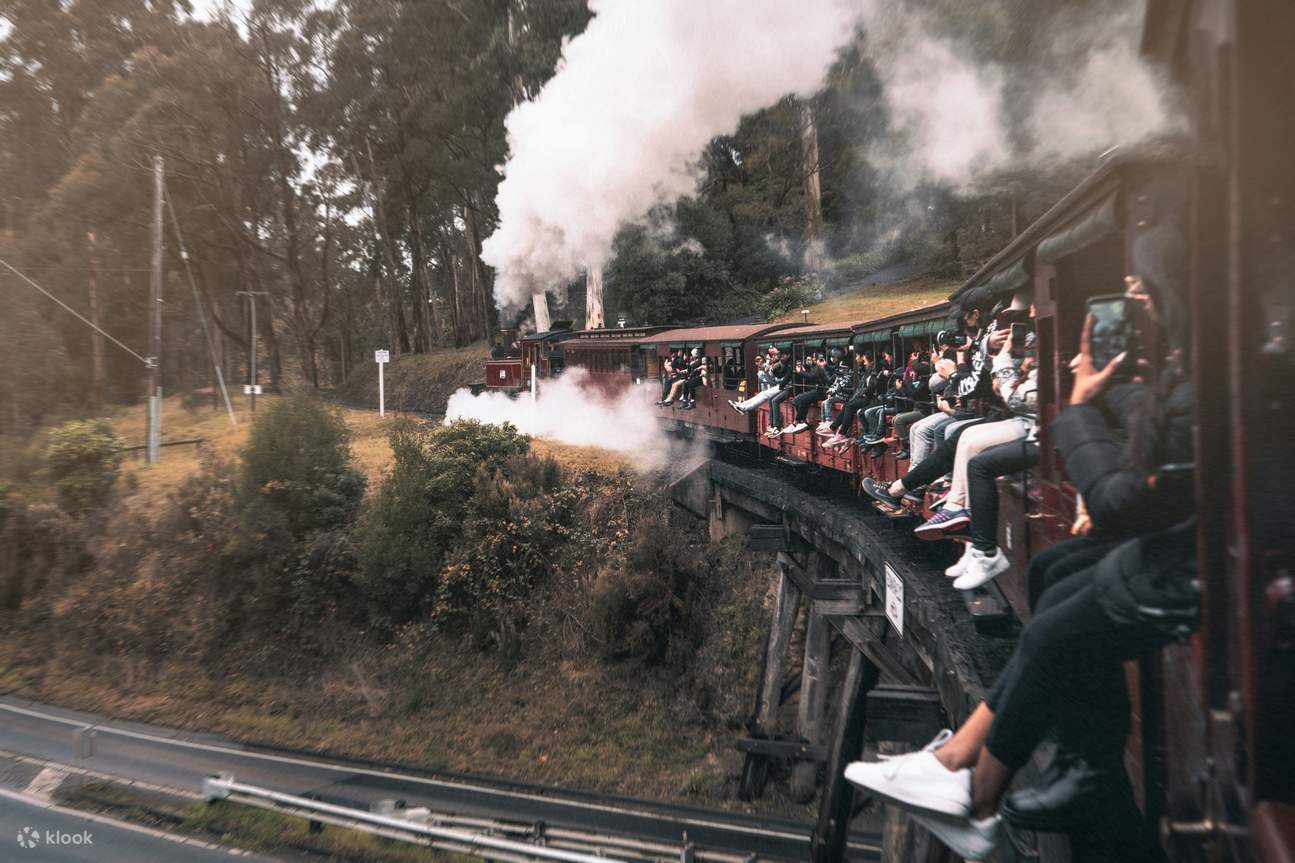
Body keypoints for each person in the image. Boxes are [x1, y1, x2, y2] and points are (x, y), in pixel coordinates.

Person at [845, 231, 1196, 861]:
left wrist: (1084, 401)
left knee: (1051, 623)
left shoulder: (1198, 371)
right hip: (1177, 544)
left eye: (1144, 285)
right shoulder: (1184, 362)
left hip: (1192, 565)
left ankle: (970, 775)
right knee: (1056, 569)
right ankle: (1062, 765)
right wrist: (1103, 388)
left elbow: (1133, 483)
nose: (1133, 294)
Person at [918, 326, 1041, 589]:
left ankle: (984, 550)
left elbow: (1016, 399)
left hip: (1039, 432)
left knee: (978, 462)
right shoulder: (1029, 363)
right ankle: (960, 518)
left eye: (1031, 354)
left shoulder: (1039, 364)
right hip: (1028, 424)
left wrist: (1003, 360)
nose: (1028, 359)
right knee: (967, 438)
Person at [782, 353, 831, 434]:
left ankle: (797, 422)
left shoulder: (821, 368)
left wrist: (800, 372)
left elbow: (812, 376)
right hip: (815, 390)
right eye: (813, 358)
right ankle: (802, 421)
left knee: (799, 400)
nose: (814, 360)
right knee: (799, 401)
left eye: (816, 358)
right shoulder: (814, 367)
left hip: (822, 391)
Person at [762, 348, 796, 436]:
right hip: (785, 387)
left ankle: (777, 426)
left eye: (784, 355)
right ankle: (772, 424)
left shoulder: (791, 364)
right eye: (781, 355)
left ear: (788, 355)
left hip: (791, 388)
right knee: (770, 399)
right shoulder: (784, 364)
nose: (781, 357)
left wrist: (780, 387)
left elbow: (787, 377)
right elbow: (780, 375)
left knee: (775, 400)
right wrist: (773, 369)